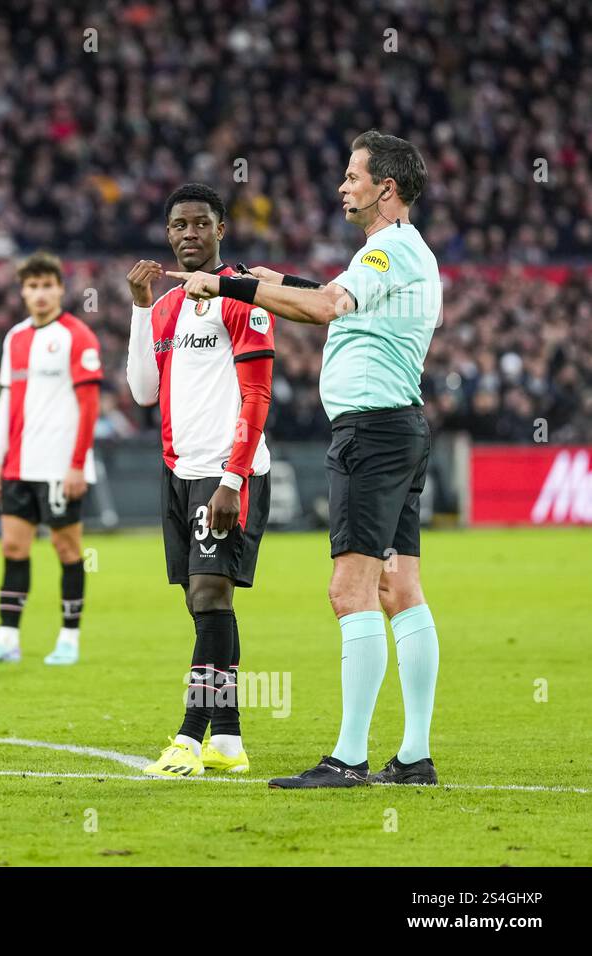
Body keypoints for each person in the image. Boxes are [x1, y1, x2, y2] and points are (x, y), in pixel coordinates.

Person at [170, 131, 443, 788]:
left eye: (353, 176)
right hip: (401, 429)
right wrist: (273, 281)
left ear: (387, 188)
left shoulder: (386, 252)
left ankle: (348, 760)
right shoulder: (400, 252)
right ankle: (413, 755)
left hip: (372, 438)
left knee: (349, 592)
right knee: (398, 589)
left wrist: (228, 289)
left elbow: (324, 308)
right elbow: (329, 296)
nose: (342, 186)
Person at [125, 184, 275, 777]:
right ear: (167, 235)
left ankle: (189, 738)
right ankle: (230, 741)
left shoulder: (243, 298)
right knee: (204, 606)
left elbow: (258, 393)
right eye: (178, 225)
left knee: (209, 596)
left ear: (221, 230)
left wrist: (233, 480)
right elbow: (142, 391)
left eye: (200, 224)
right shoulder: (164, 309)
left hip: (227, 473)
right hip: (181, 471)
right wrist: (139, 308)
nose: (189, 234)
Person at [0, 251, 101, 667]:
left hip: (59, 465)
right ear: (22, 291)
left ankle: (69, 638)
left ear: (59, 288)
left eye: (46, 285)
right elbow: (7, 400)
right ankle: (7, 639)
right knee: (13, 546)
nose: (39, 293)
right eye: (32, 286)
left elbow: (89, 406)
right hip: (19, 464)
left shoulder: (77, 336)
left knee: (67, 548)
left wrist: (77, 464)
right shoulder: (15, 337)